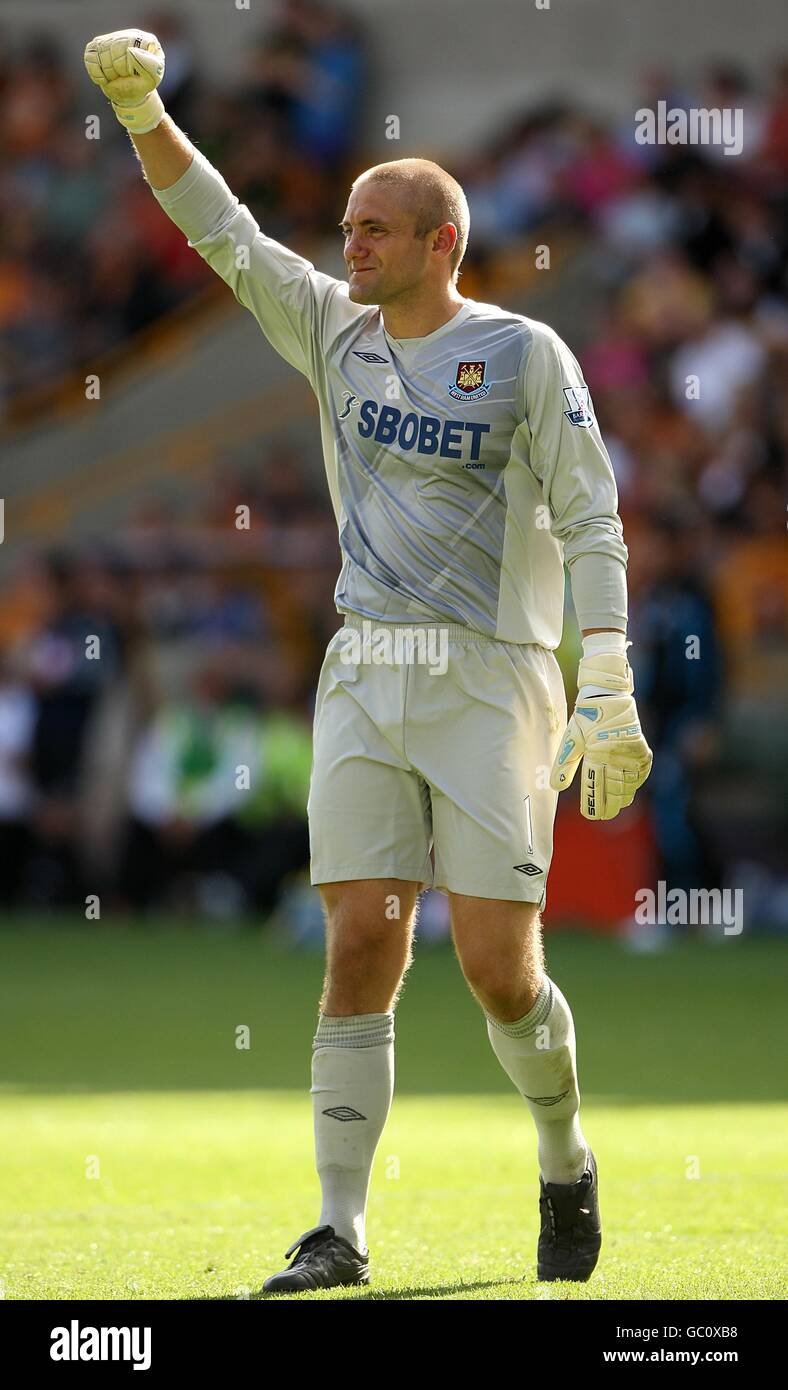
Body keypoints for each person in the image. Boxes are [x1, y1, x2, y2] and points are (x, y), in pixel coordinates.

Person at [84, 29, 653, 1291]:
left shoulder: (522, 356)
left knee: (502, 973)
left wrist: (605, 679)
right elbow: (225, 232)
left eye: (375, 230)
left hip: (491, 678)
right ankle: (336, 1228)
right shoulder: (331, 329)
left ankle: (562, 1155)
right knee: (358, 949)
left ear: (442, 243)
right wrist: (143, 115)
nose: (349, 248)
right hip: (363, 675)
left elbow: (591, 518)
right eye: (346, 226)